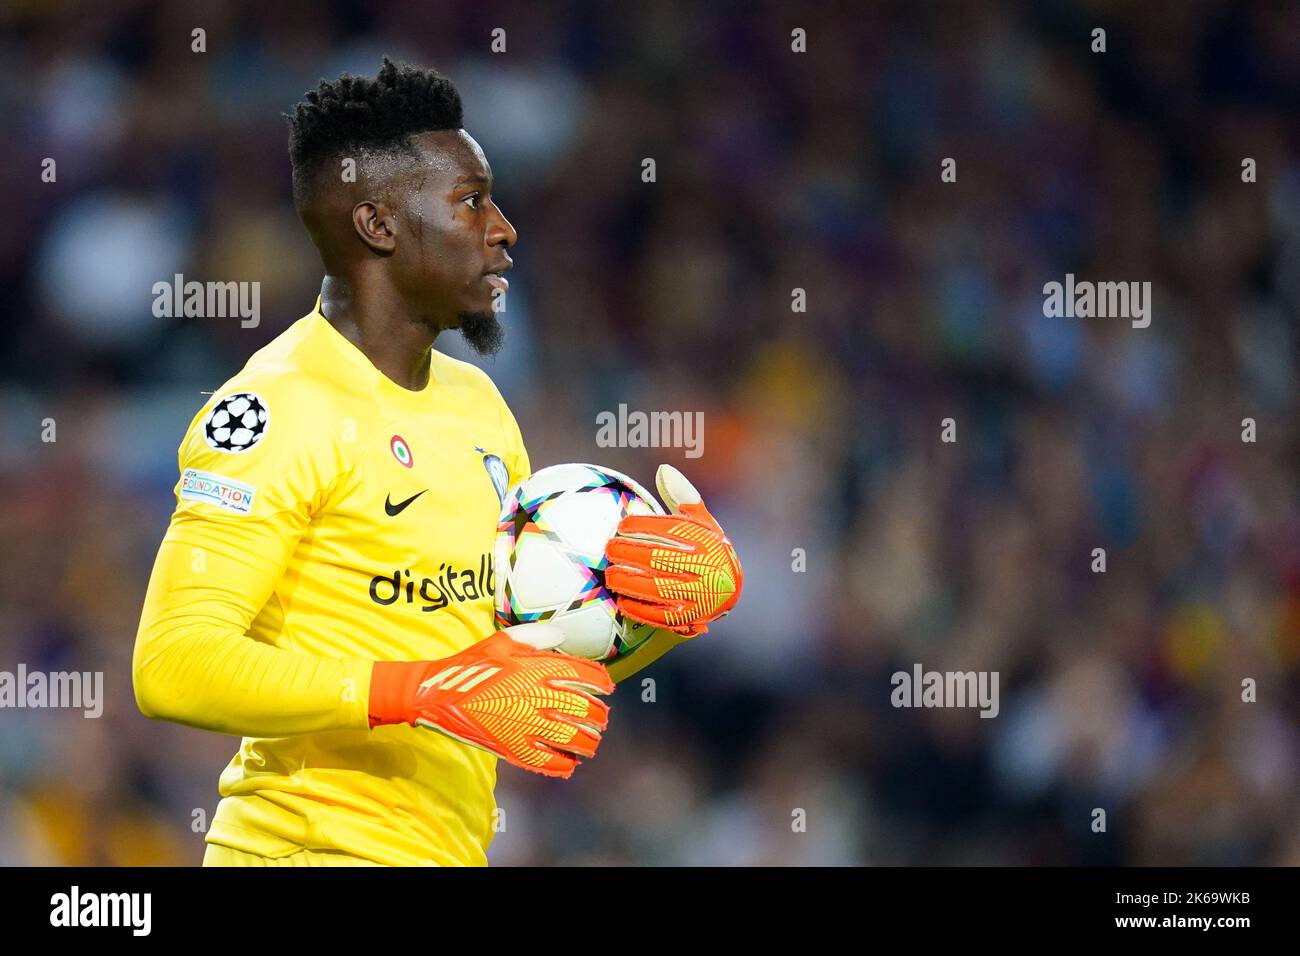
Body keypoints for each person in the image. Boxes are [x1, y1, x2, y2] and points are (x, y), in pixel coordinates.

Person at [132, 59, 743, 867]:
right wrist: (417, 690)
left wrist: (668, 611)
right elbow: (173, 665)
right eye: (471, 200)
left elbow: (512, 674)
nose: (503, 226)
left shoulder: (480, 408)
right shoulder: (278, 409)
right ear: (379, 226)